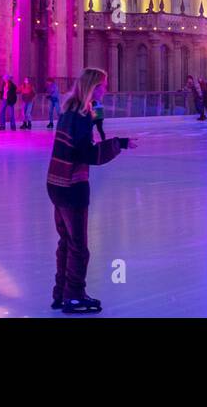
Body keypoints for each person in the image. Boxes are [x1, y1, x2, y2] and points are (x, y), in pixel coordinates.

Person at [45, 67, 135, 315]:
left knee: (66, 241)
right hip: (72, 185)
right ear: (92, 87)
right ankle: (73, 296)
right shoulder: (82, 115)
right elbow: (87, 154)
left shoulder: (68, 111)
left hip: (56, 182)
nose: (105, 90)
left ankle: (61, 293)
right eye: (102, 86)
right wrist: (118, 144)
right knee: (79, 246)